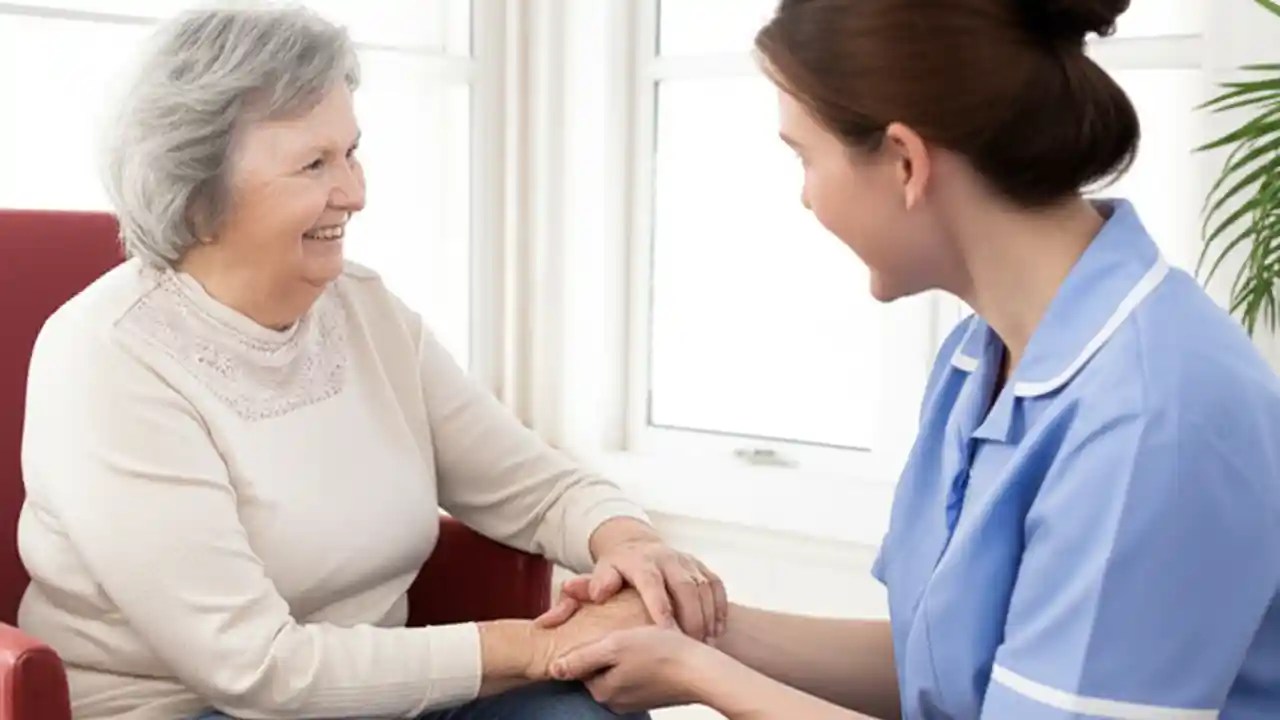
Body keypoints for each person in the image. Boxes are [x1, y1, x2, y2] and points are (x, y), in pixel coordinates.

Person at [540, 0, 1280, 718]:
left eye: (805, 157)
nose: (804, 197)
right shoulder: (980, 360)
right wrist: (688, 627)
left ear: (904, 161)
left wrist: (701, 675)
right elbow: (945, 675)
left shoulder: (1157, 418)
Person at [17, 5, 727, 720]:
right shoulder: (106, 360)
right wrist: (538, 647)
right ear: (199, 194)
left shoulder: (364, 311)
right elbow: (257, 667)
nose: (355, 194)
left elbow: (537, 490)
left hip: (376, 699)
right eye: (314, 164)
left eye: (351, 153)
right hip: (192, 709)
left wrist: (630, 542)